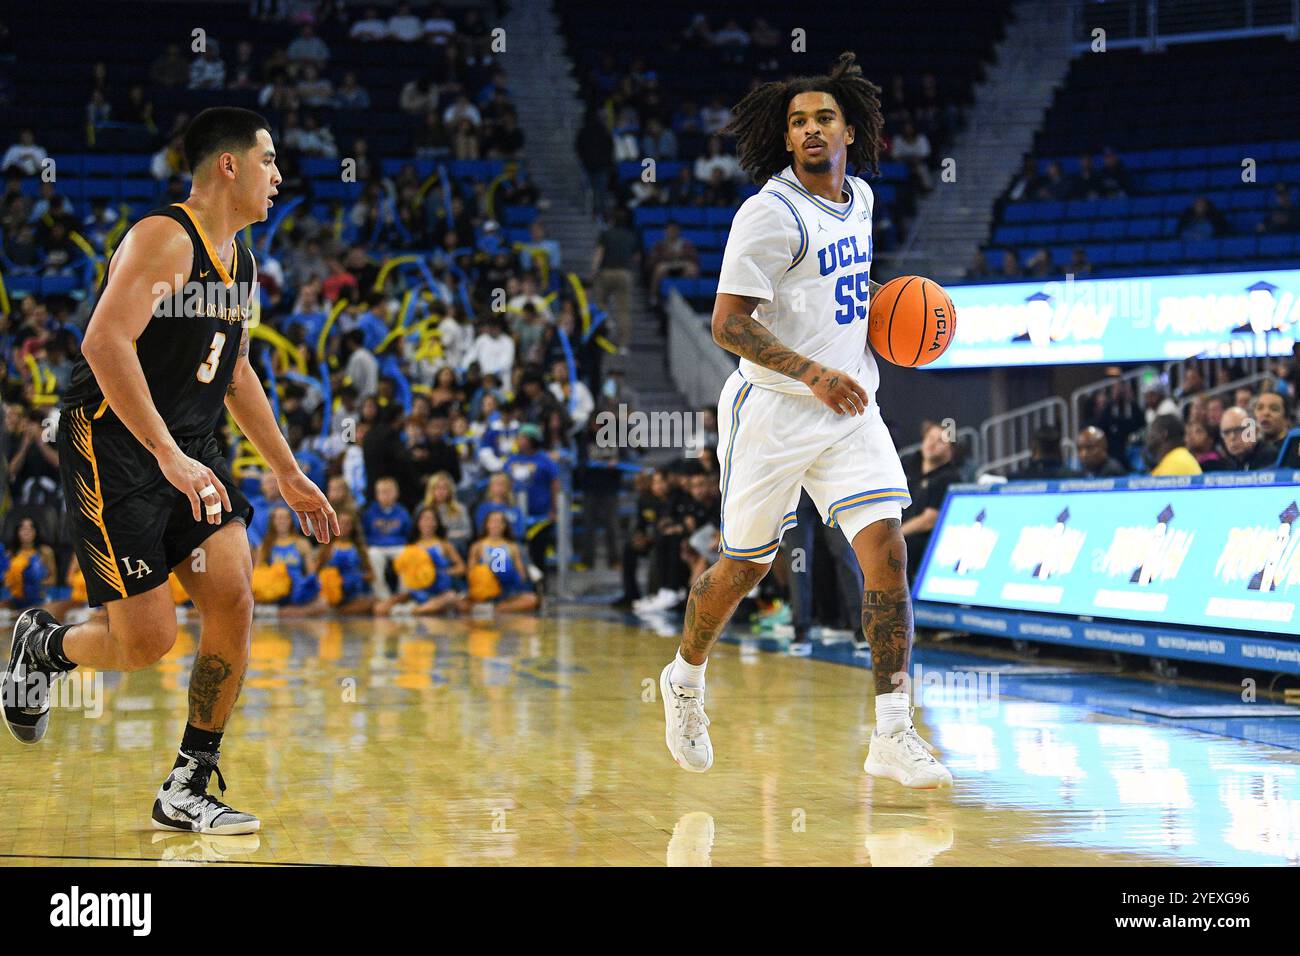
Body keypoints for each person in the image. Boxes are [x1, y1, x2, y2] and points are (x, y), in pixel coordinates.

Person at [4, 108, 338, 834]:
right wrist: (165, 453)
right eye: (269, 160)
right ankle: (44, 644)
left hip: (191, 444)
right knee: (147, 641)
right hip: (116, 441)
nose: (278, 176)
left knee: (234, 598)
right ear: (229, 165)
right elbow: (104, 342)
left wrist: (285, 470)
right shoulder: (166, 237)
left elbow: (237, 370)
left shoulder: (241, 260)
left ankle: (187, 783)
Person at [658, 52, 951, 789]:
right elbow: (728, 323)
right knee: (743, 568)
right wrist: (812, 371)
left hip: (850, 409)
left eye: (824, 117)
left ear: (849, 128)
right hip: (776, 410)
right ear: (786, 140)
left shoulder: (862, 199)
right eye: (798, 122)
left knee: (885, 549)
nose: (812, 129)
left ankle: (891, 730)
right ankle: (685, 679)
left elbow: (839, 282)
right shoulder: (769, 212)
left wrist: (891, 300)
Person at [899, 423, 961, 585]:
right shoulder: (909, 466)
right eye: (930, 438)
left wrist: (895, 535)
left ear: (951, 451)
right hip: (899, 533)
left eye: (940, 441)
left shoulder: (949, 477)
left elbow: (929, 520)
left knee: (900, 548)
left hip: (924, 541)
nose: (932, 444)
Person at [374, 506, 465, 617]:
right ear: (418, 522)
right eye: (424, 519)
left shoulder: (445, 545)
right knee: (380, 608)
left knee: (451, 598)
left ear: (437, 523)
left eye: (432, 519)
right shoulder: (412, 546)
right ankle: (421, 609)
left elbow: (461, 567)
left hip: (439, 591)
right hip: (415, 590)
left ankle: (414, 611)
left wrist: (443, 572)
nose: (428, 523)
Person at [460, 510, 540, 613]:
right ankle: (492, 607)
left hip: (507, 591)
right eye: (493, 521)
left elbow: (522, 574)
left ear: (505, 526)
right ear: (487, 525)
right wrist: (486, 576)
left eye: (499, 522)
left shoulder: (512, 546)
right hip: (484, 589)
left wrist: (510, 575)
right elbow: (470, 572)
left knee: (532, 599)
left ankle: (494, 609)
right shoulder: (477, 546)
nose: (496, 525)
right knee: (459, 603)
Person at [1218, 406, 1278, 471]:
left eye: (1239, 430)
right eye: (1226, 432)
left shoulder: (1270, 456)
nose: (1232, 437)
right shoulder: (1228, 463)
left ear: (1255, 431)